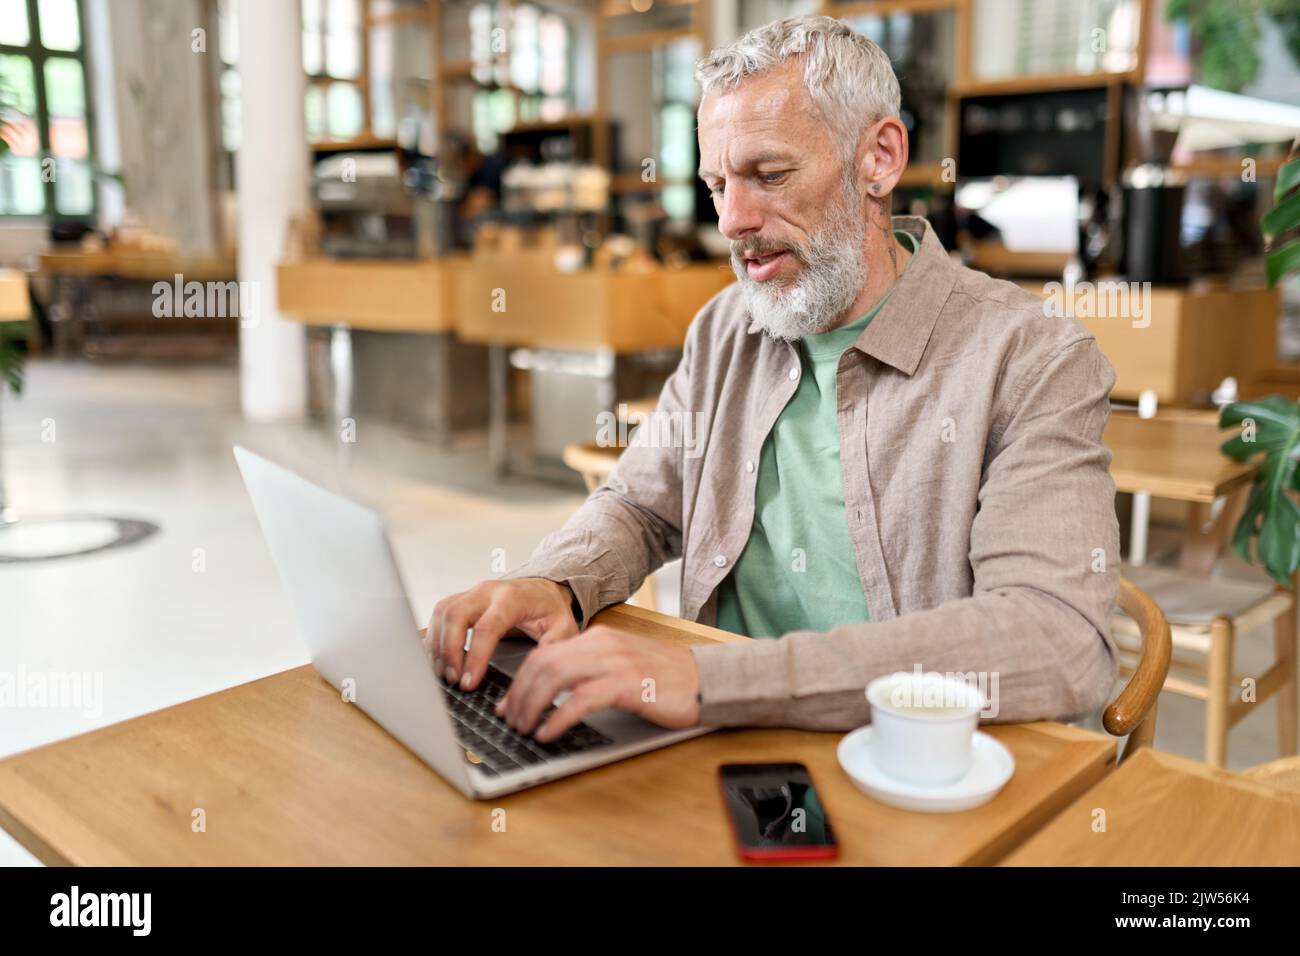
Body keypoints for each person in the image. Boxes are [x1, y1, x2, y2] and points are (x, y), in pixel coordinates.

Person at [428, 15, 1120, 744]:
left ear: (879, 158)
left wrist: (714, 682)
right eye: (717, 184)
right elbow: (640, 503)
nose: (731, 220)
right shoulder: (726, 327)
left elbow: (1057, 639)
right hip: (712, 735)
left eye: (769, 175)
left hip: (902, 757)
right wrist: (556, 581)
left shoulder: (1033, 357)